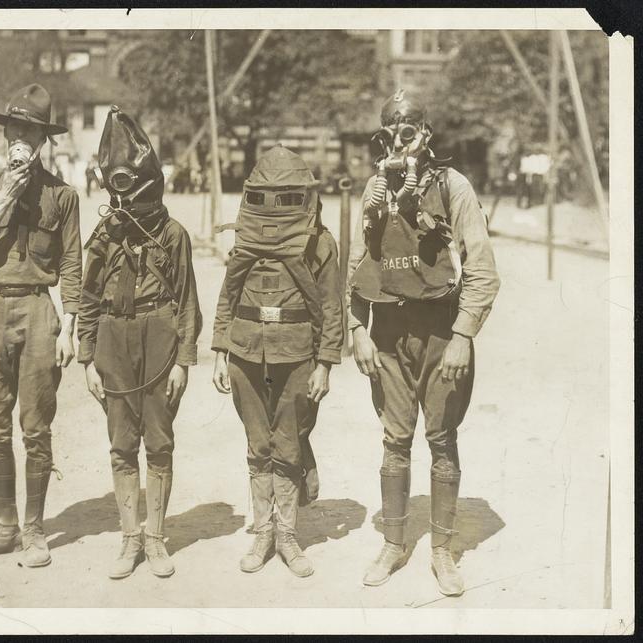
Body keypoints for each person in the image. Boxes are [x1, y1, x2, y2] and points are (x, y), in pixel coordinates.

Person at [348, 89, 500, 596]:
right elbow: (355, 266)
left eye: (407, 131)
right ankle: (393, 542)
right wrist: (356, 331)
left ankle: (441, 549)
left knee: (441, 438)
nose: (398, 141)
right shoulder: (373, 191)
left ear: (425, 134)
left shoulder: (453, 185)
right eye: (389, 132)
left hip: (440, 328)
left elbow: (481, 268)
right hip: (387, 333)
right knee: (394, 439)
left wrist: (463, 336)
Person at [0, 84, 82, 568]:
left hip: (37, 309)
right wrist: (3, 198)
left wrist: (68, 328)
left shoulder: (62, 195)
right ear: (3, 133)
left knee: (36, 426)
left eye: (28, 130)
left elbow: (72, 263)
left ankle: (33, 530)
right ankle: (4, 526)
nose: (18, 138)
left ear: (43, 138)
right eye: (12, 129)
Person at [78, 106, 202, 580]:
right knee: (120, 443)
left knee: (160, 442)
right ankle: (130, 538)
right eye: (115, 181)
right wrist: (87, 359)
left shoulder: (172, 234)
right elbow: (89, 299)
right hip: (112, 336)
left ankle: (155, 537)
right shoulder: (104, 235)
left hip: (159, 335)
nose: (122, 191)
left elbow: (188, 300)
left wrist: (183, 362)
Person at [212, 145, 344, 578]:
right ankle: (263, 531)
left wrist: (325, 362)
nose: (275, 207)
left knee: (287, 443)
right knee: (257, 445)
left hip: (296, 354)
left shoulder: (321, 243)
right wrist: (218, 351)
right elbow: (229, 294)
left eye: (286, 196)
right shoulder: (244, 242)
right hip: (246, 351)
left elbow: (330, 304)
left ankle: (287, 533)